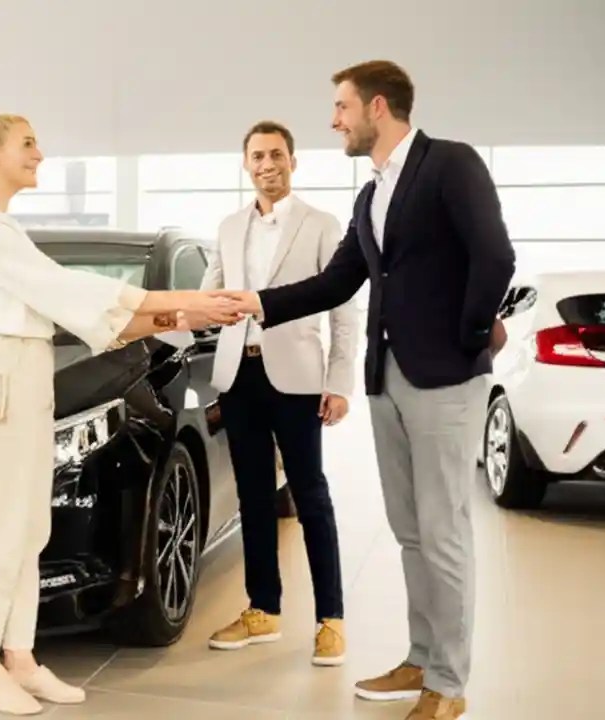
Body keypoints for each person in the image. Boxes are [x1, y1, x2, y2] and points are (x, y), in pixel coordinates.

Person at [223, 61, 514, 720]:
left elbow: (495, 255)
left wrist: (470, 336)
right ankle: (421, 657)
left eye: (341, 107)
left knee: (443, 532)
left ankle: (448, 683)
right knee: (411, 531)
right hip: (388, 379)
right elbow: (336, 282)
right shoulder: (371, 195)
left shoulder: (450, 164)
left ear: (377, 107)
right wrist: (258, 302)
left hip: (445, 377)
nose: (334, 121)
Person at [0, 113, 245, 716]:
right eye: (28, 143)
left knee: (30, 528)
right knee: (1, 527)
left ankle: (19, 657)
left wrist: (183, 315)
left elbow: (86, 314)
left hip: (26, 373)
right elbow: (73, 293)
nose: (39, 154)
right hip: (4, 376)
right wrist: (187, 301)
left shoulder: (0, 226)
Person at [199, 120, 359, 667]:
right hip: (238, 377)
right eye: (257, 156)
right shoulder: (228, 227)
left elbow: (343, 310)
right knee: (252, 497)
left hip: (297, 379)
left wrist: (339, 382)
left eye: (275, 155)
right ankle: (263, 609)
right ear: (245, 164)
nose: (267, 165)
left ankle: (331, 619)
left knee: (310, 496)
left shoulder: (321, 225)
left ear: (293, 160)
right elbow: (208, 298)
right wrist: (155, 323)